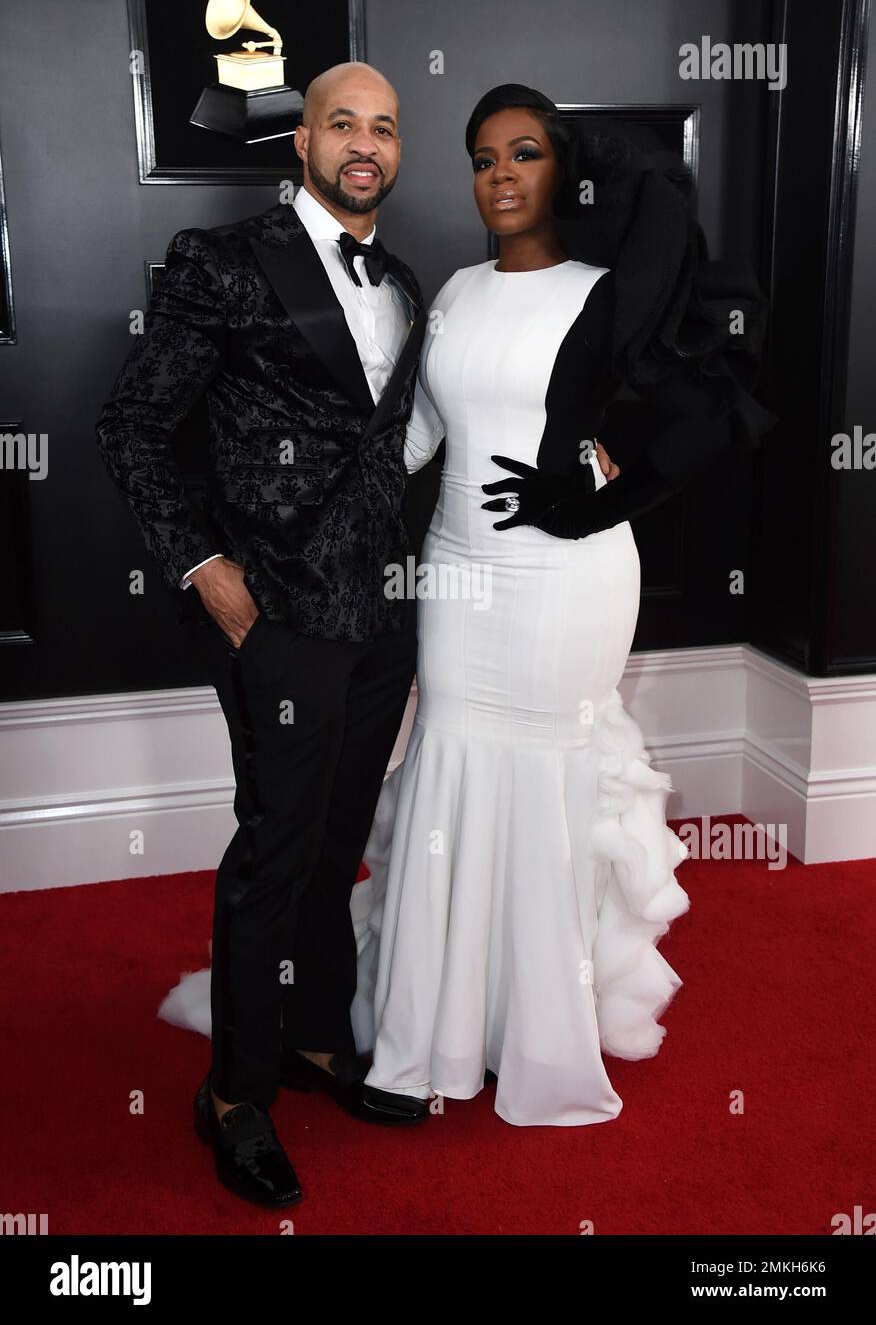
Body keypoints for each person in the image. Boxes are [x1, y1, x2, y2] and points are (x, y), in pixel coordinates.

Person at [95, 60, 624, 1203]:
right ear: (303, 141)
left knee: (341, 850)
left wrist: (597, 452)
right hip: (274, 617)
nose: (365, 144)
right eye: (343, 124)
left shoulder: (410, 280)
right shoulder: (223, 263)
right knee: (275, 854)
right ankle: (233, 1094)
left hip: (387, 618)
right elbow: (132, 423)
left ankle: (315, 1036)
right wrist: (204, 569)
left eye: (385, 126)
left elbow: (434, 436)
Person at [357, 84, 778, 1126]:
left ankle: (537, 1034)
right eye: (483, 157)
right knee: (453, 768)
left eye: (525, 153)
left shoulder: (612, 290)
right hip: (459, 576)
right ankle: (433, 1039)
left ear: (567, 171)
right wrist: (297, 503)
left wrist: (597, 503)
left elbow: (708, 418)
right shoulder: (451, 290)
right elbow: (413, 438)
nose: (501, 174)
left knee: (546, 783)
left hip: (566, 582)